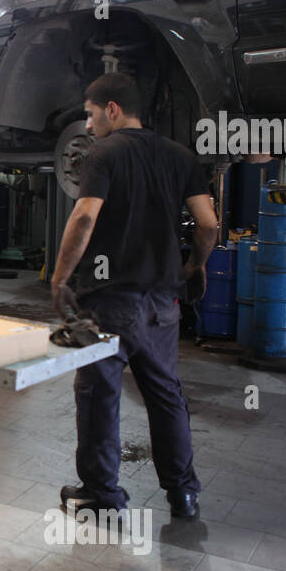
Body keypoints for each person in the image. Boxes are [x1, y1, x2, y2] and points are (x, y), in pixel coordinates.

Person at [48, 72, 218, 519]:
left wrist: (60, 277)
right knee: (166, 396)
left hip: (109, 300)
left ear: (112, 109)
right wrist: (196, 264)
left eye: (89, 114)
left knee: (99, 394)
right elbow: (209, 223)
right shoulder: (180, 156)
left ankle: (102, 496)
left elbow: (85, 217)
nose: (86, 126)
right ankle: (182, 493)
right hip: (163, 303)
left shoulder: (102, 154)